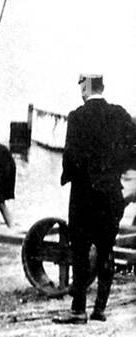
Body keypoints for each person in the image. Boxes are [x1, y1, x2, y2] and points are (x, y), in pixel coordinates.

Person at [56, 74, 136, 323]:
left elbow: (70, 156)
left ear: (84, 89)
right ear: (102, 88)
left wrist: (68, 176)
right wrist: (117, 172)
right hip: (111, 192)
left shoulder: (77, 116)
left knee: (80, 251)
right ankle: (100, 309)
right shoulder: (121, 114)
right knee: (106, 250)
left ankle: (78, 310)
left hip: (84, 194)